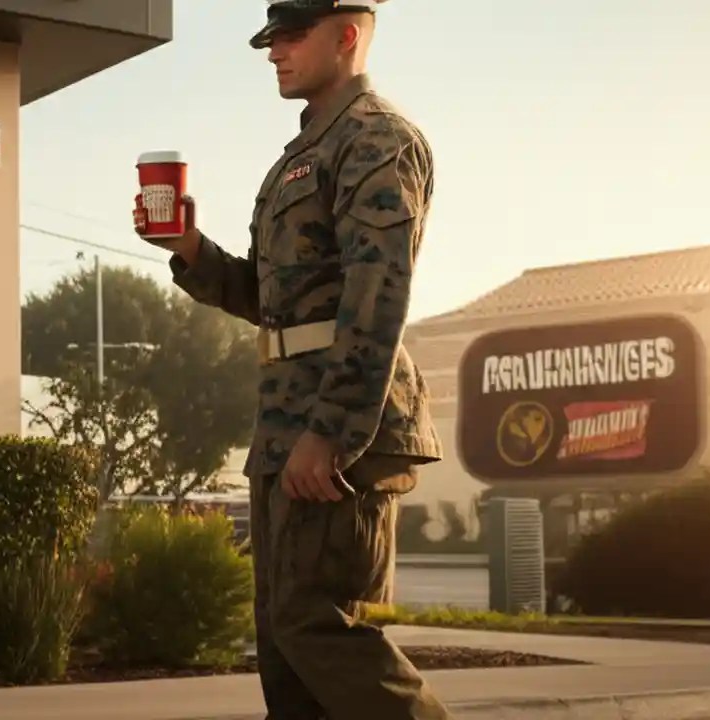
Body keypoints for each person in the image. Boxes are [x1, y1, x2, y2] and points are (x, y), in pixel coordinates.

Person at [133, 1, 453, 718]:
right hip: (286, 425)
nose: (275, 51)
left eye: (292, 36)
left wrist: (332, 430)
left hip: (336, 428)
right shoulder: (299, 157)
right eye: (271, 39)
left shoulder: (376, 138)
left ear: (347, 36)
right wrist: (190, 249)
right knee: (285, 645)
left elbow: (379, 290)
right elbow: (274, 301)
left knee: (319, 626)